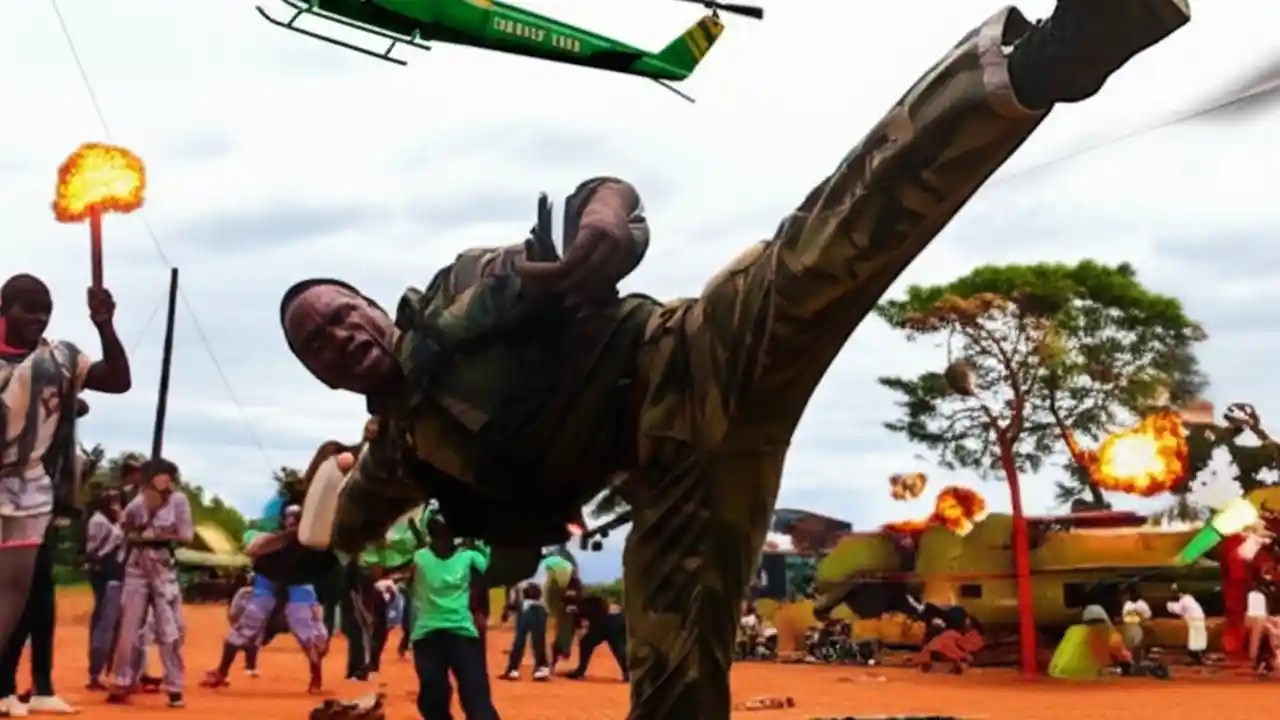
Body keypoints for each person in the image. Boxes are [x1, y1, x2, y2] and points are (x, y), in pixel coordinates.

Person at [267, 3, 1196, 715]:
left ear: (372, 307)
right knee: (670, 682)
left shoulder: (466, 286)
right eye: (316, 341)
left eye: (340, 311)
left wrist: (605, 214)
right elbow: (341, 530)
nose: (338, 334)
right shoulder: (401, 449)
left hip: (689, 358)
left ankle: (1042, 60)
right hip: (672, 486)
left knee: (826, 245)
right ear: (320, 374)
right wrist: (302, 542)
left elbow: (595, 216)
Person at [0, 273, 130, 696]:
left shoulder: (59, 360)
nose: (39, 317)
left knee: (18, 595)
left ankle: (24, 685)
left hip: (30, 493)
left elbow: (118, 380)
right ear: (5, 308)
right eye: (29, 308)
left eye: (46, 309)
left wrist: (104, 324)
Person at [202, 504, 329, 694]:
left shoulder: (309, 544)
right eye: (290, 520)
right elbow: (253, 551)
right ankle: (221, 672)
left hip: (295, 584)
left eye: (295, 520)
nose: (291, 524)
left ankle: (316, 680)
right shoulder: (273, 540)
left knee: (304, 625)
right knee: (250, 621)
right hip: (270, 583)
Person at [107, 458, 193, 707]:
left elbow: (186, 535)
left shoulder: (178, 501)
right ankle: (123, 680)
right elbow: (123, 531)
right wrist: (138, 534)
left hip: (162, 567)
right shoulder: (138, 501)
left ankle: (174, 686)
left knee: (169, 629)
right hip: (137, 567)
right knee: (129, 628)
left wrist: (155, 536)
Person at [409, 513, 500, 720]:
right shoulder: (419, 557)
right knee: (434, 698)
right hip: (429, 634)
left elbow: (491, 567)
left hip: (460, 631)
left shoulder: (467, 556)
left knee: (475, 698)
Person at [0, 524, 75, 715]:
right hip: (12, 541)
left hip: (38, 540)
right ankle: (4, 689)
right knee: (18, 616)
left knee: (44, 612)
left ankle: (43, 690)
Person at [85, 487, 126, 690]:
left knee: (112, 622)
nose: (116, 505)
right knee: (105, 622)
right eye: (112, 501)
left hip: (112, 574)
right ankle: (96, 672)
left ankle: (104, 669)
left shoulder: (107, 521)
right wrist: (120, 523)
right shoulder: (99, 522)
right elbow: (99, 550)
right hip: (106, 576)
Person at [564, 594, 628, 682]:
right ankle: (628, 673)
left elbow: (590, 620)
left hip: (610, 622)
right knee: (587, 642)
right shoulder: (586, 603)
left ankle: (580, 671)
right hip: (614, 620)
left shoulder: (581, 607)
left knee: (618, 648)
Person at [500, 579, 550, 681]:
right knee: (539, 639)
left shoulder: (520, 577)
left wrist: (507, 610)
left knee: (520, 639)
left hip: (526, 607)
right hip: (541, 608)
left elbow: (513, 597)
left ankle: (513, 669)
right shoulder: (544, 572)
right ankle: (541, 668)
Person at [1167, 583, 1207, 665]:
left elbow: (1178, 609)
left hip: (1195, 621)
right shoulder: (1190, 599)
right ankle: (1198, 658)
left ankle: (1196, 659)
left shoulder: (1185, 600)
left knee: (1195, 641)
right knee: (1197, 641)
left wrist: (1169, 605)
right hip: (1199, 620)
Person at [1120, 586, 1151, 664]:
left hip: (1141, 627)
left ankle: (1140, 659)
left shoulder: (1143, 604)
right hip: (1129, 628)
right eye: (1132, 594)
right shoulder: (1127, 604)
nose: (1134, 595)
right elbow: (1124, 617)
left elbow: (1148, 616)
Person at [1246, 581, 1269, 667]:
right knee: (1258, 627)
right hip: (1254, 618)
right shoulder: (1252, 595)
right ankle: (1254, 656)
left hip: (1263, 617)